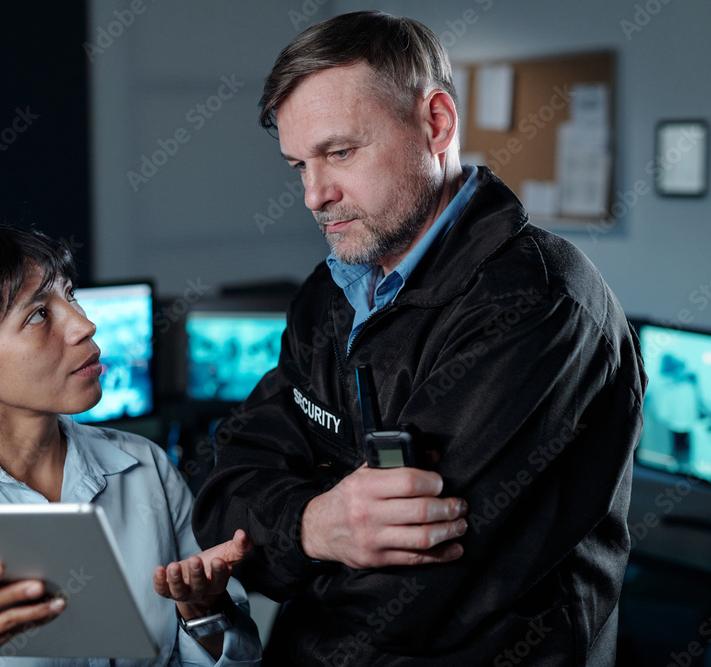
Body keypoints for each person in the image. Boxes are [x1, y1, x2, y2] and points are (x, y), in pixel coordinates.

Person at [192, 10, 646, 665]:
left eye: (340, 152)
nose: (314, 195)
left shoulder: (540, 304)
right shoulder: (329, 294)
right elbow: (222, 494)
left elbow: (413, 591)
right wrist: (315, 526)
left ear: (436, 123)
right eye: (298, 165)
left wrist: (283, 541)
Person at [0, 222, 261, 666]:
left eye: (70, 295)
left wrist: (201, 612)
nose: (84, 325)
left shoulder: (145, 466)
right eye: (38, 315)